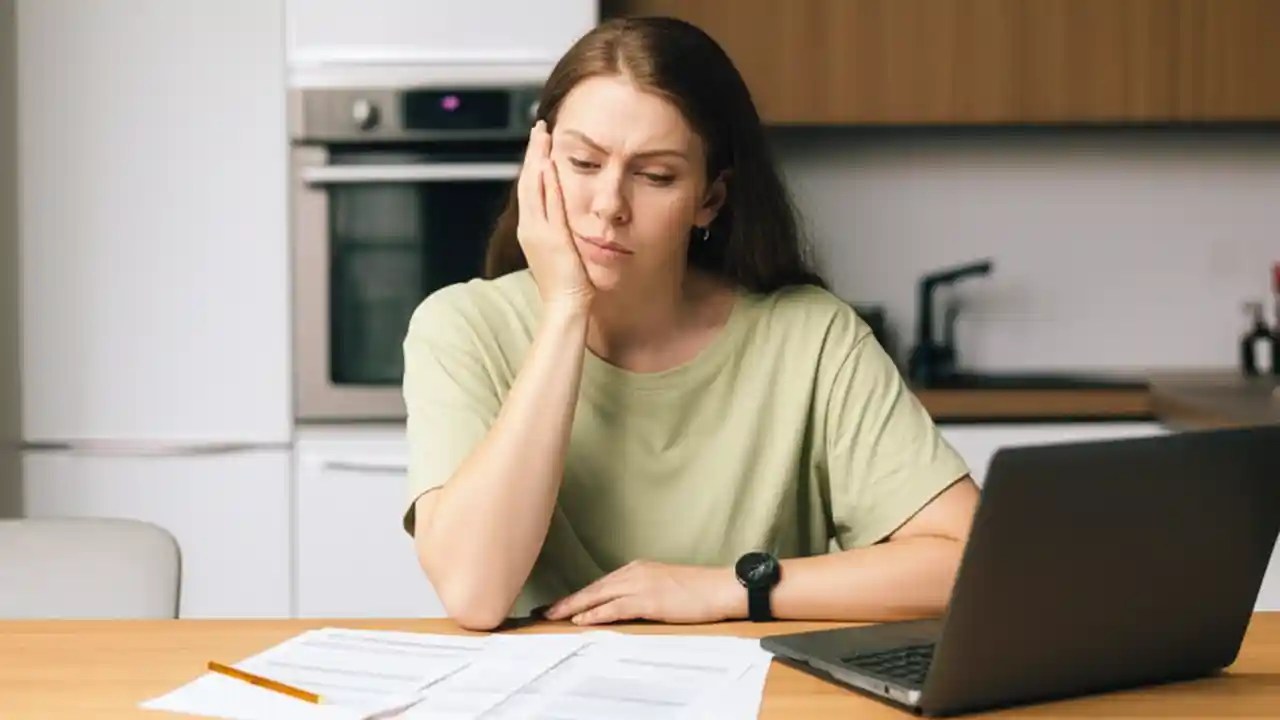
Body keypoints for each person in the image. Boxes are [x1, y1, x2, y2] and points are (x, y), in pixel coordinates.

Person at [401, 16, 979, 632]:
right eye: (583, 162)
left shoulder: (813, 338)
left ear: (709, 199)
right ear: (539, 165)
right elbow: (473, 593)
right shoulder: (459, 326)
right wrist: (568, 310)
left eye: (655, 176)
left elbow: (965, 562)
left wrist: (727, 591)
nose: (609, 206)